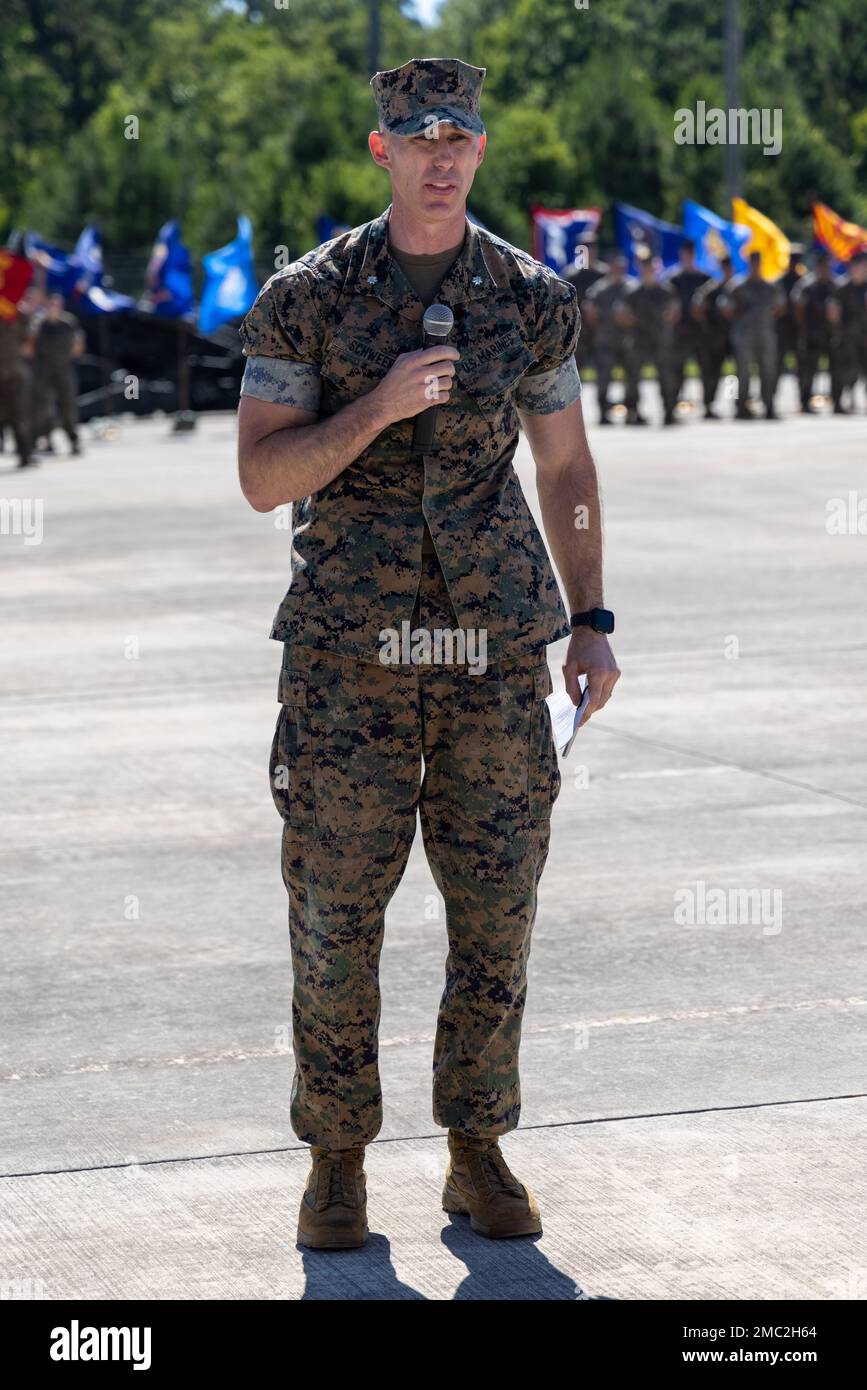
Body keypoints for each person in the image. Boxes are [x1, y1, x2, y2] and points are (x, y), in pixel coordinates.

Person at [236, 57, 620, 1251]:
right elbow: (261, 477)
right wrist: (378, 408)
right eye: (421, 136)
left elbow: (563, 467)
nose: (442, 154)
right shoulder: (308, 298)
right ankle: (337, 1162)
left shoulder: (530, 296)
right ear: (382, 151)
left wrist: (593, 620)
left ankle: (476, 1147)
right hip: (351, 655)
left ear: (480, 152)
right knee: (337, 911)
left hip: (493, 649)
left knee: (498, 902)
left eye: (460, 136)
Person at [719, 251, 783, 420]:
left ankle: (769, 405)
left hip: (765, 335)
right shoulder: (737, 286)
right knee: (740, 373)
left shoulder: (770, 287)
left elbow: (779, 308)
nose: (755, 266)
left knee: (768, 371)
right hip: (743, 336)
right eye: (752, 263)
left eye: (757, 262)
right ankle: (740, 407)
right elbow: (726, 308)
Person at [624, 247, 680, 425]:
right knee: (632, 376)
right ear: (640, 267)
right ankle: (633, 412)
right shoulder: (632, 292)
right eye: (644, 266)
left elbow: (674, 313)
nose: (647, 269)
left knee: (666, 376)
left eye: (650, 266)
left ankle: (669, 411)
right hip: (639, 338)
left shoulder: (666, 291)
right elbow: (623, 314)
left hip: (660, 339)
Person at [584, 254, 639, 424]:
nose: (619, 271)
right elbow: (589, 311)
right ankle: (603, 412)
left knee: (632, 376)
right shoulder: (600, 289)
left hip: (627, 341)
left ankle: (632, 411)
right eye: (616, 267)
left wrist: (629, 319)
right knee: (604, 377)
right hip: (606, 341)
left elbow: (640, 312)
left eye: (622, 268)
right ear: (610, 268)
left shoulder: (632, 287)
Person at [29, 292, 85, 454]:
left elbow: (79, 346)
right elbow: (29, 346)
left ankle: (73, 441)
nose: (54, 308)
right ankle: (45, 440)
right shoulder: (39, 323)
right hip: (43, 370)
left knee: (68, 406)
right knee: (43, 407)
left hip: (63, 369)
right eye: (51, 305)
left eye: (56, 305)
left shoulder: (68, 323)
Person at [791, 250, 839, 413]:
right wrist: (804, 328)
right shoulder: (807, 285)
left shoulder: (835, 285)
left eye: (828, 266)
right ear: (818, 267)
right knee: (807, 370)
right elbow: (799, 307)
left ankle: (837, 401)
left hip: (831, 335)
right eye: (823, 266)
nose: (826, 269)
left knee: (836, 369)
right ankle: (805, 400)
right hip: (811, 334)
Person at [665, 238, 710, 404]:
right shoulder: (672, 279)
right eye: (685, 252)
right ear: (681, 254)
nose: (688, 256)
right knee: (676, 369)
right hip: (680, 331)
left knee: (706, 368)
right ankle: (673, 404)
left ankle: (708, 404)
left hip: (700, 331)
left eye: (691, 252)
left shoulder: (705, 279)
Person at [691, 255, 735, 419]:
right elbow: (696, 308)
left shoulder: (737, 288)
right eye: (725, 268)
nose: (728, 272)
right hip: (713, 338)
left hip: (734, 338)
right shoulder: (711, 289)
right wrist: (707, 325)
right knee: (710, 373)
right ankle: (709, 404)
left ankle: (735, 402)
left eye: (729, 268)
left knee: (733, 374)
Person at [562, 236, 608, 377]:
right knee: (575, 370)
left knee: (604, 366)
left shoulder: (604, 274)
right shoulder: (570, 275)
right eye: (586, 248)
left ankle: (603, 398)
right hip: (578, 329)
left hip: (601, 327)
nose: (590, 251)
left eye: (593, 247)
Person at [830, 250, 867, 414]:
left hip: (864, 336)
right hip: (847, 337)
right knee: (843, 371)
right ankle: (839, 402)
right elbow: (834, 313)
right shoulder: (842, 287)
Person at [0, 308, 34, 468]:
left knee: (19, 416)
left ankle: (25, 454)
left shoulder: (18, 315)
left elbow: (29, 342)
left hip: (14, 375)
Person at [775, 241, 807, 384]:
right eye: (793, 259)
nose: (795, 263)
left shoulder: (805, 281)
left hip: (799, 327)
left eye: (797, 260)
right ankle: (770, 401)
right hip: (782, 326)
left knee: (802, 364)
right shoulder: (780, 280)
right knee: (777, 364)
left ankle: (803, 399)